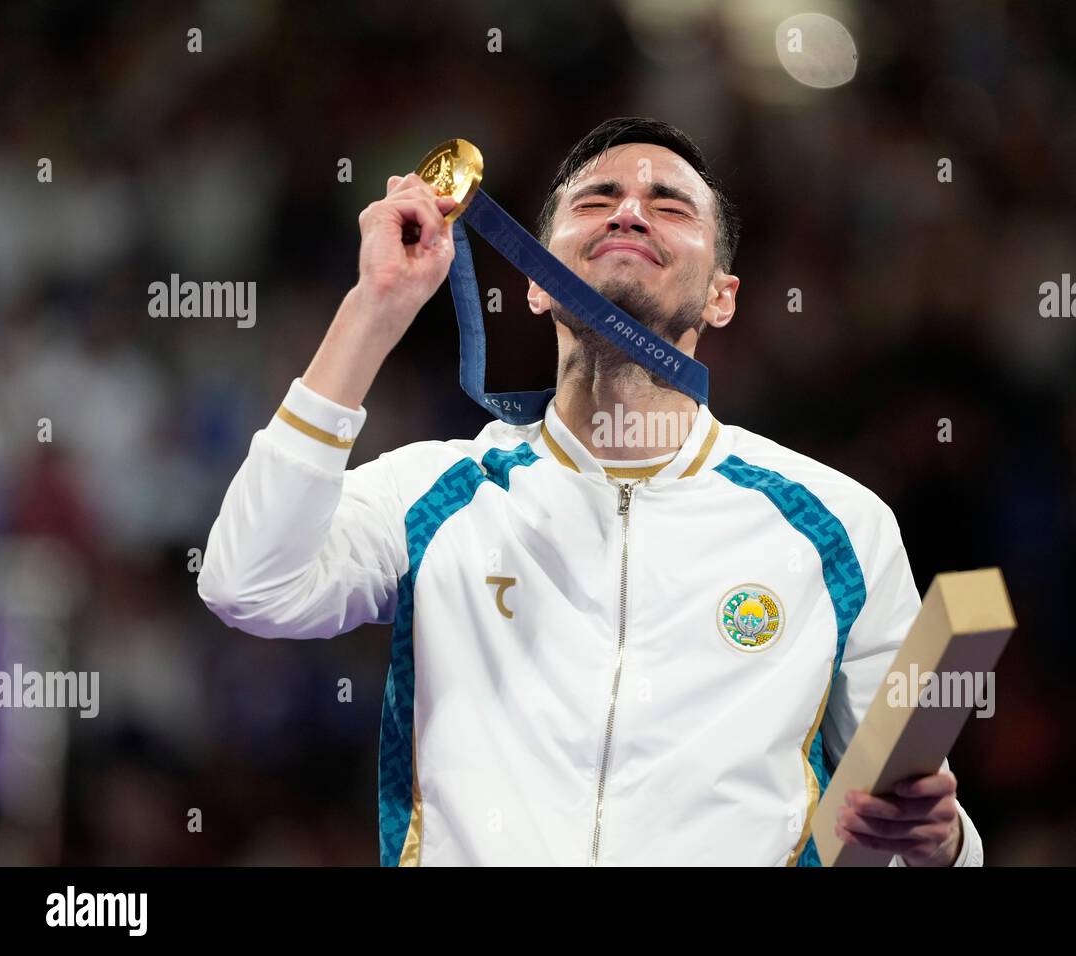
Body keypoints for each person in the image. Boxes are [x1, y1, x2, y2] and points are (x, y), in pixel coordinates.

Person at [197, 117, 984, 867]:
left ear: (722, 296)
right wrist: (374, 308)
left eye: (669, 205)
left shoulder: (838, 524)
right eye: (596, 201)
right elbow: (249, 584)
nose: (631, 212)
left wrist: (944, 844)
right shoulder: (438, 495)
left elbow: (899, 814)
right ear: (536, 283)